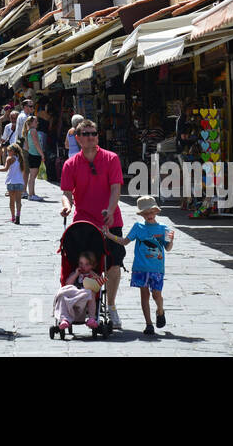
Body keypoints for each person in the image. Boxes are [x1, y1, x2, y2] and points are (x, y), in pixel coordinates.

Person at [59, 119, 126, 329]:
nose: (91, 137)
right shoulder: (70, 164)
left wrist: (111, 209)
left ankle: (112, 306)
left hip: (110, 221)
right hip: (84, 223)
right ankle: (80, 305)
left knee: (114, 264)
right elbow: (67, 193)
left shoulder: (111, 158)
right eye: (86, 134)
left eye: (94, 133)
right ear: (77, 138)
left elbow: (116, 188)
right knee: (83, 264)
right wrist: (67, 206)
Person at [104, 195, 170, 335]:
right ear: (142, 215)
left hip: (157, 269)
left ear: (156, 212)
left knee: (156, 295)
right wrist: (109, 235)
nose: (149, 215)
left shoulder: (164, 229)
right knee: (144, 295)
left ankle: (160, 310)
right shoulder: (138, 227)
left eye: (151, 212)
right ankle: (149, 324)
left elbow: (168, 248)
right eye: (146, 213)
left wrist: (171, 240)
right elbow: (124, 241)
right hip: (140, 268)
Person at [54, 250, 104, 333]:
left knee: (91, 293)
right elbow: (67, 284)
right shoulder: (75, 273)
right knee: (63, 294)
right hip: (73, 296)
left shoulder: (93, 275)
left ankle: (91, 319)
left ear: (93, 266)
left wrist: (94, 276)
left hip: (85, 298)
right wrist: (76, 274)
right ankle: (64, 319)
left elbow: (99, 284)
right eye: (81, 263)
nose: (83, 266)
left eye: (87, 264)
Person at [0, 142, 26, 223]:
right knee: (18, 201)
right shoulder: (21, 159)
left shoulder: (9, 159)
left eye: (9, 151)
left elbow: (5, 169)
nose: (7, 152)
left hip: (11, 181)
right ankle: (18, 215)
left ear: (13, 151)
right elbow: (23, 171)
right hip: (19, 181)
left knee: (11, 201)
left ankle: (13, 217)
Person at [22, 104, 46, 201]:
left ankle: (32, 194)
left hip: (32, 154)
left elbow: (27, 146)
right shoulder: (33, 131)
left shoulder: (28, 131)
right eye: (36, 121)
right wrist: (42, 154)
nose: (37, 123)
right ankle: (31, 194)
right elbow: (36, 143)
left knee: (32, 176)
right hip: (35, 154)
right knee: (32, 176)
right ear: (32, 123)